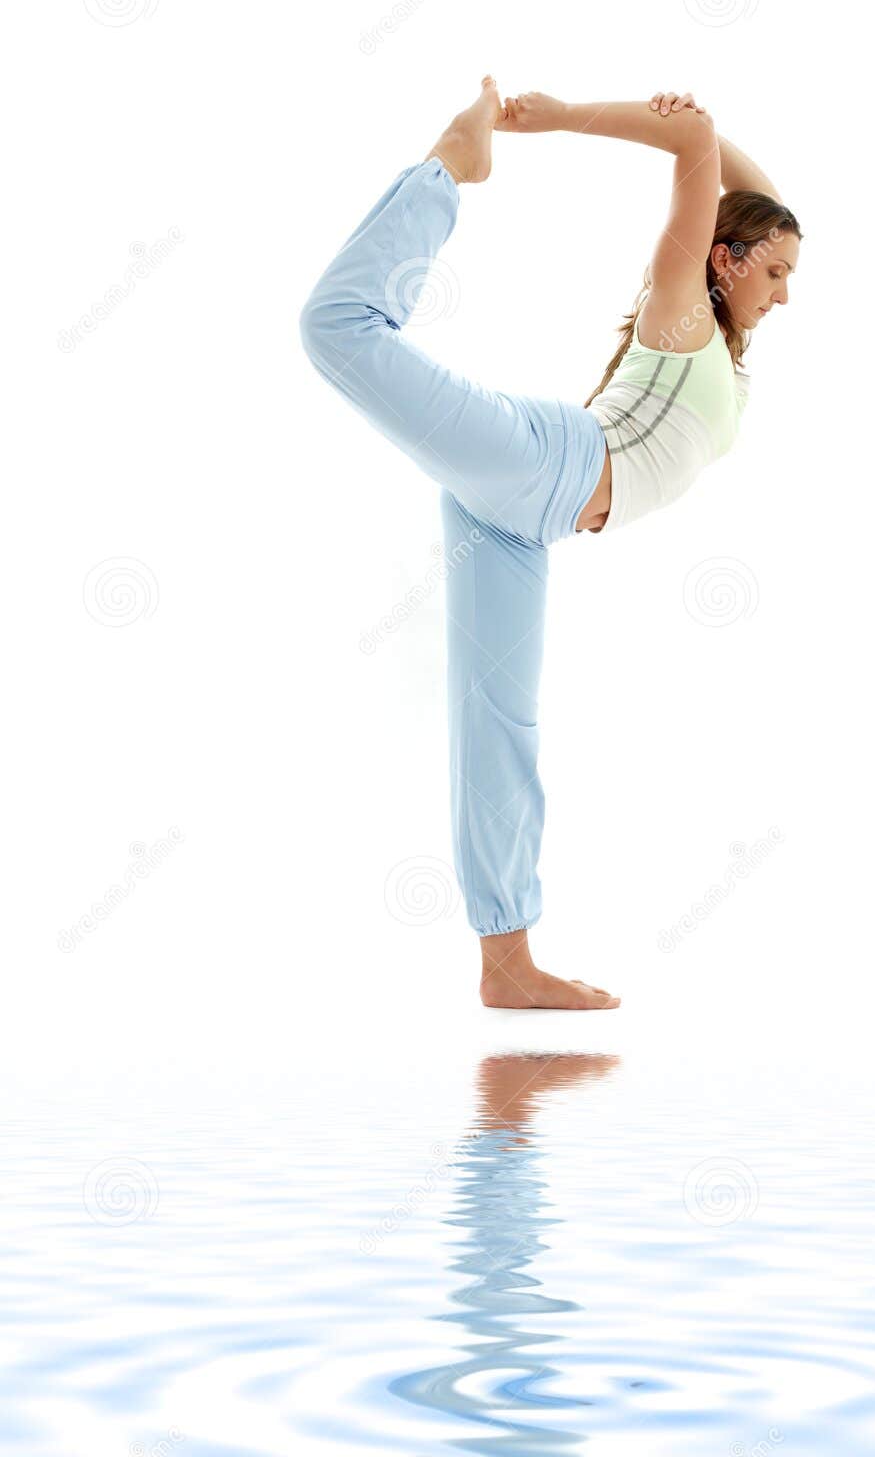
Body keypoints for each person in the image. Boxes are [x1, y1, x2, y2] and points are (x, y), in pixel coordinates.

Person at [299, 79, 802, 1010]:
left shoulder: (723, 350)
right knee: (337, 327)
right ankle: (451, 165)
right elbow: (695, 146)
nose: (786, 293)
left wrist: (703, 138)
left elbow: (733, 168)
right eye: (775, 272)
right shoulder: (682, 308)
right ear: (724, 262)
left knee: (498, 726)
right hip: (545, 465)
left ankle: (506, 965)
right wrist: (567, 120)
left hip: (524, 516)